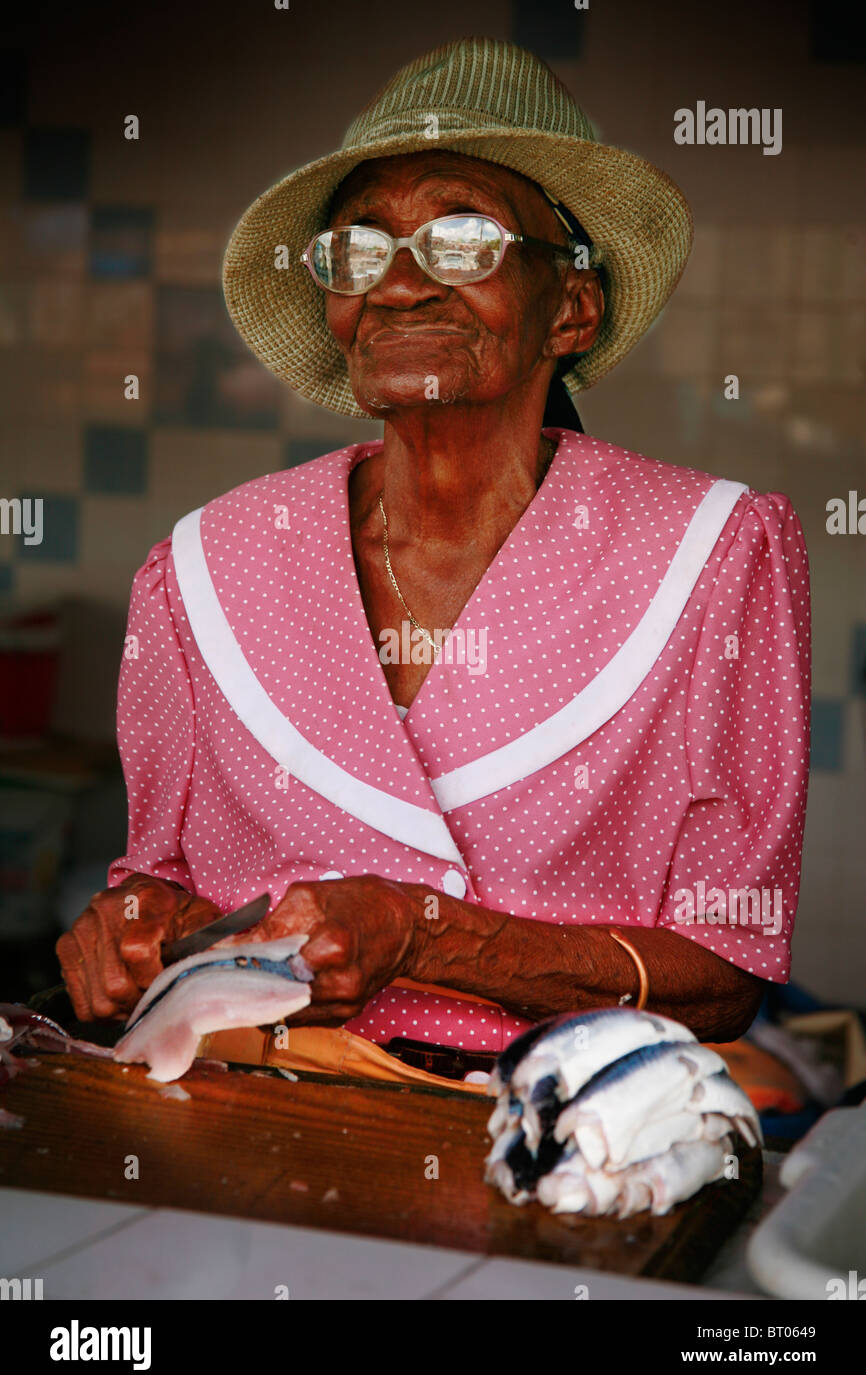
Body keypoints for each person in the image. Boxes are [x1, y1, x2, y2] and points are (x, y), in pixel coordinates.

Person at [56, 36, 811, 1091]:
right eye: (358, 250)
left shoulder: (712, 551)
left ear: (572, 307)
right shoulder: (200, 568)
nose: (399, 282)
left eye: (461, 238)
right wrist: (131, 924)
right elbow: (157, 881)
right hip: (232, 1112)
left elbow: (728, 971)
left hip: (550, 1137)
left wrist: (426, 935)